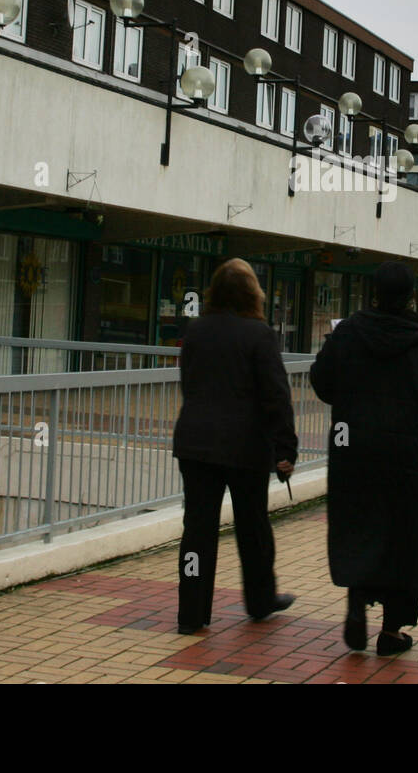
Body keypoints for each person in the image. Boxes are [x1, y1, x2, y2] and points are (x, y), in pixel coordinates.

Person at [309, 262, 418, 657]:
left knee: (363, 529)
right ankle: (391, 632)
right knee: (408, 543)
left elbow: (322, 381)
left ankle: (357, 600)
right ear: (412, 297)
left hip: (357, 455)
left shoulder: (349, 333)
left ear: (373, 293)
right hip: (414, 463)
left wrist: (355, 397)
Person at [172, 258, 298, 635]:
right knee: (252, 526)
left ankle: (191, 613)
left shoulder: (195, 331)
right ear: (252, 294)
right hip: (245, 449)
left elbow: (189, 383)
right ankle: (260, 601)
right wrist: (285, 449)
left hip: (196, 445)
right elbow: (277, 396)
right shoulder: (258, 335)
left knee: (197, 530)